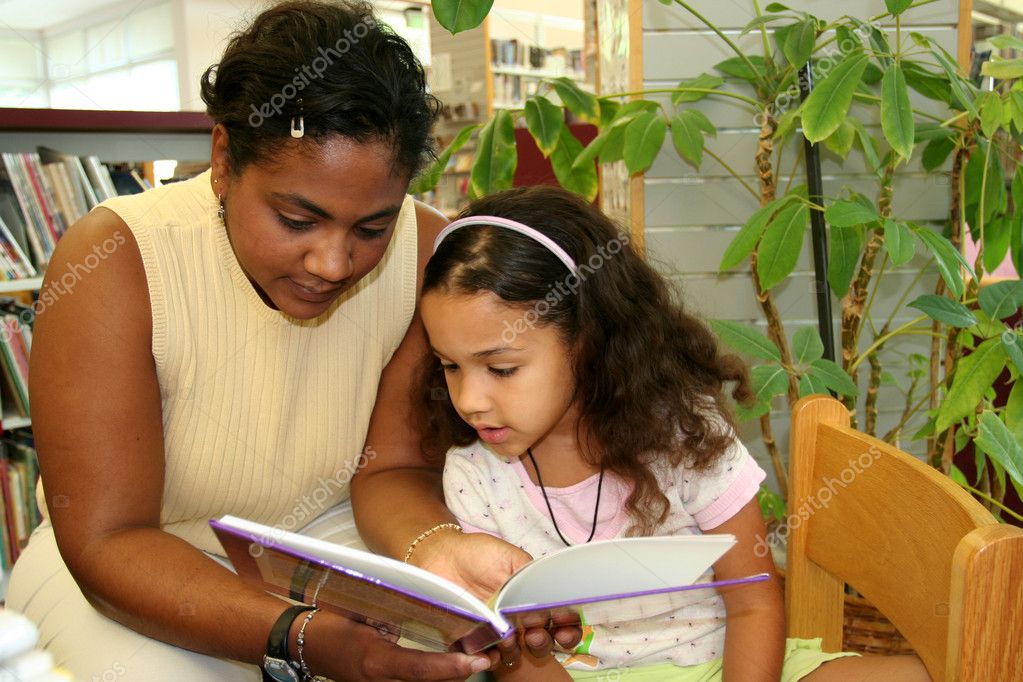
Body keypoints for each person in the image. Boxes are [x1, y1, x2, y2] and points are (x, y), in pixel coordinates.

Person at [6, 2, 577, 680]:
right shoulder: (118, 258)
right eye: (297, 218)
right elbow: (108, 539)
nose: (333, 263)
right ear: (223, 159)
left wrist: (438, 548)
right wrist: (300, 636)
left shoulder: (427, 252)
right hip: (139, 566)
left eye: (371, 228)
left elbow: (391, 470)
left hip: (339, 549)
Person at [413, 186, 934, 682]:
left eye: (501, 368)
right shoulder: (475, 476)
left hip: (727, 663)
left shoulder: (685, 437)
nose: (468, 401)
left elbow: (753, 602)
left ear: (588, 340)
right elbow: (517, 657)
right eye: (449, 366)